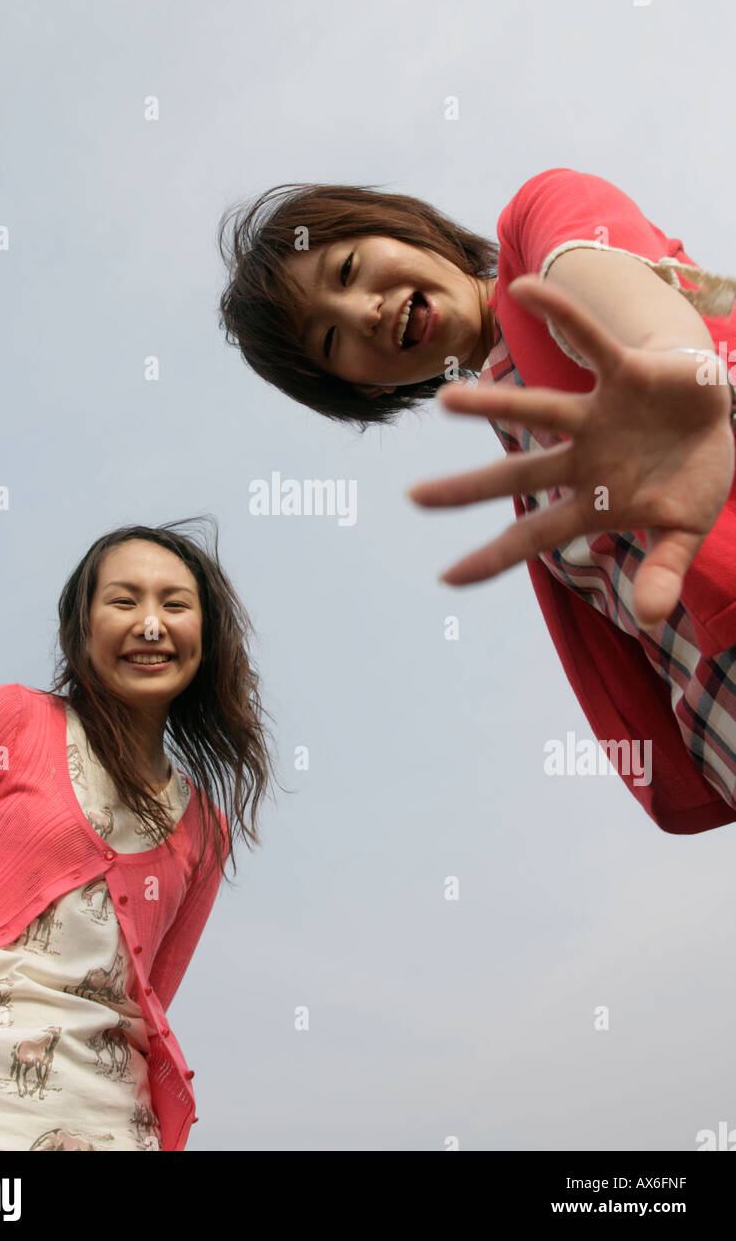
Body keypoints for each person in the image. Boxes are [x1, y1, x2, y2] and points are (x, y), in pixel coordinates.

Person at [217, 167, 736, 834]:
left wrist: (668, 368)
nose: (362, 312)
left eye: (346, 269)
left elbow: (604, 286)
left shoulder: (538, 228)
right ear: (366, 390)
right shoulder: (532, 488)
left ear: (405, 228)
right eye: (330, 340)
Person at [0, 519, 274, 1151]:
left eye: (175, 605)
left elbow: (146, 1006)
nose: (150, 624)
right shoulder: (9, 719)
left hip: (107, 1124)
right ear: (81, 628)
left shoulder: (205, 832)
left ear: (208, 636)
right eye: (122, 600)